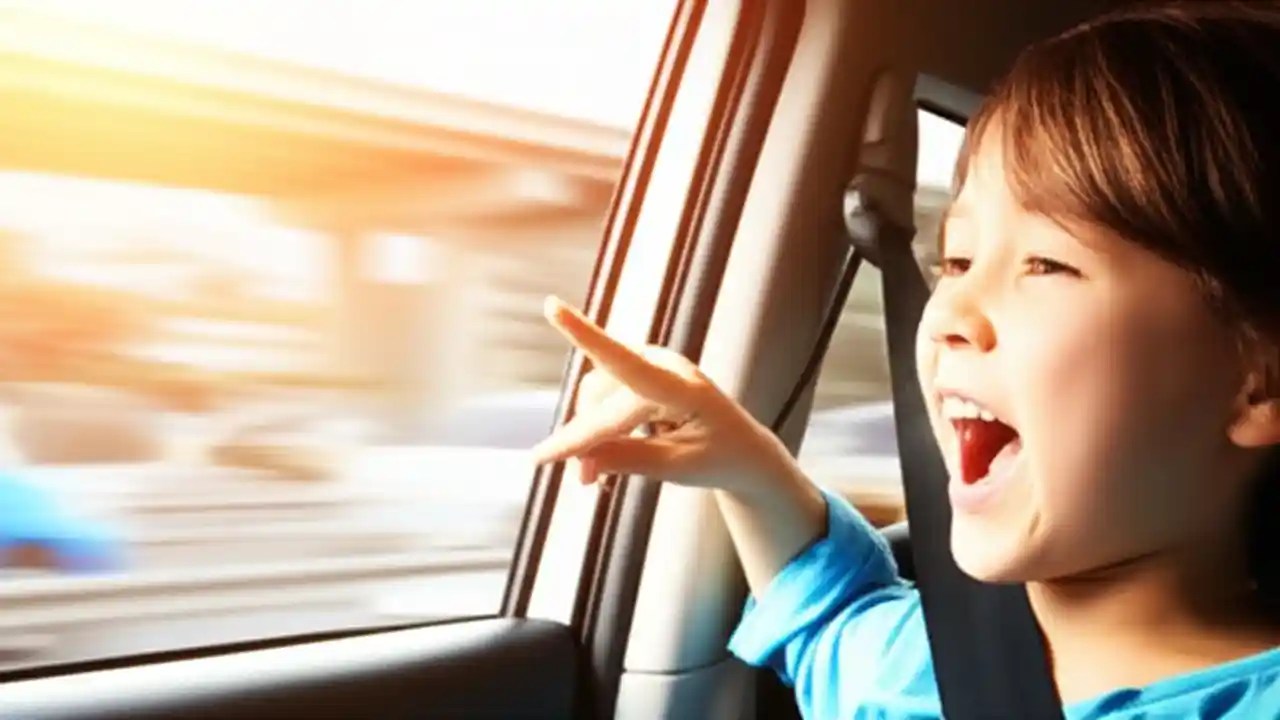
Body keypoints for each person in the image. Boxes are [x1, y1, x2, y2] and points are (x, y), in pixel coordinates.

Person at [533, 2, 1280, 717]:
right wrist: (744, 463)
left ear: (1259, 385)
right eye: (956, 259)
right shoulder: (910, 667)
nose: (948, 313)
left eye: (1047, 264)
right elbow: (828, 615)